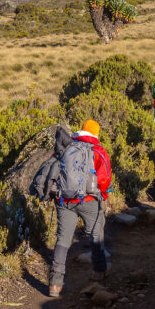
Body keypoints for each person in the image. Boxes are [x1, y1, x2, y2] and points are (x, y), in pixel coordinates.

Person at [49, 120, 112, 297]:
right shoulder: (98, 151)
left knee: (63, 239)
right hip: (89, 200)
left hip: (65, 200)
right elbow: (105, 178)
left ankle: (55, 283)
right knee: (95, 234)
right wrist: (103, 197)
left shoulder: (66, 147)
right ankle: (99, 271)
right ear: (96, 134)